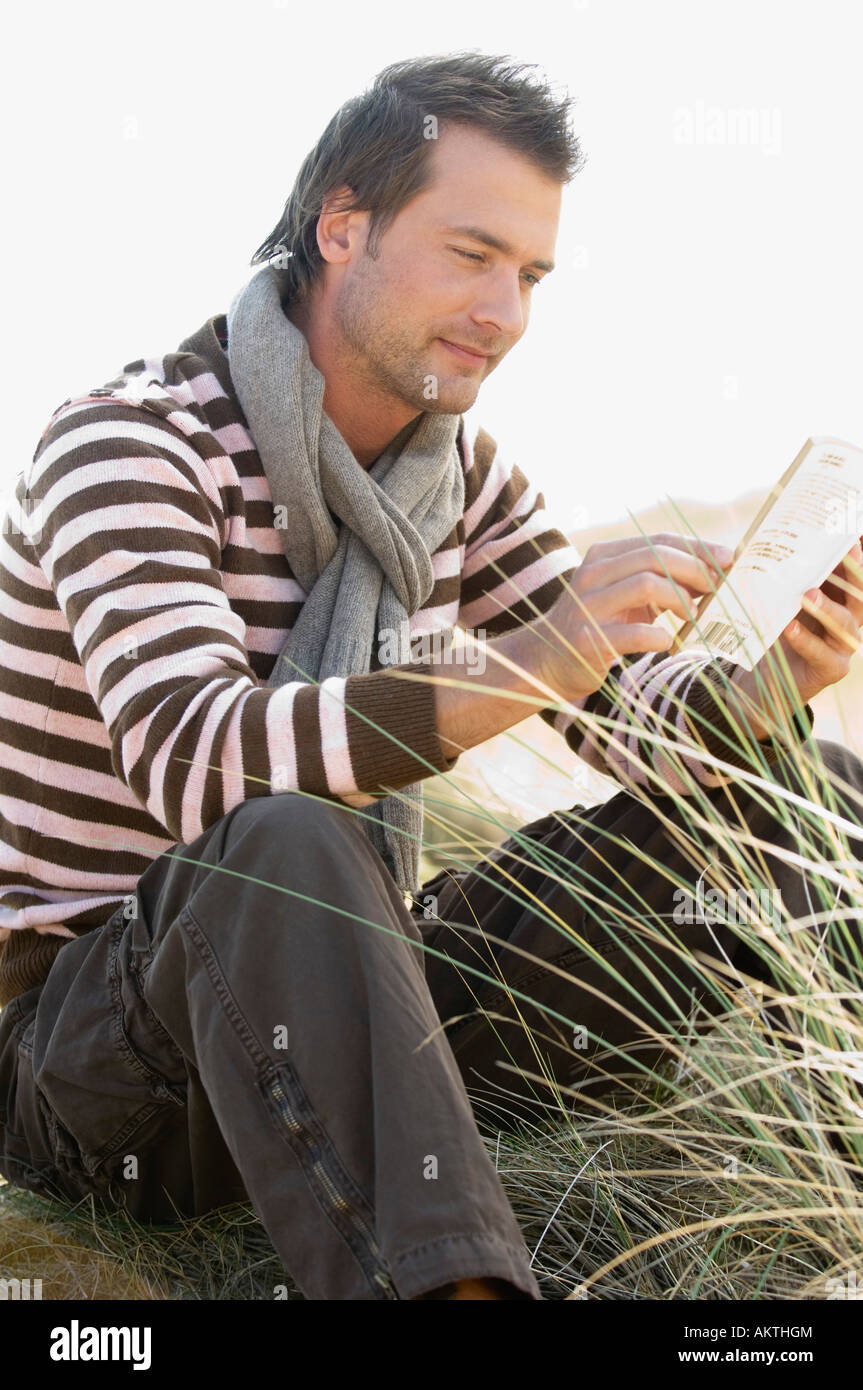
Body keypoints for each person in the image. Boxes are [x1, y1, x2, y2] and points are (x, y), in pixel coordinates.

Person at [1, 51, 861, 1303]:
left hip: (357, 997)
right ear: (340, 226)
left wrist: (767, 682)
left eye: (530, 275)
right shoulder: (130, 440)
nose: (504, 313)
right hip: (101, 1064)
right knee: (285, 838)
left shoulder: (461, 481)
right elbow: (201, 764)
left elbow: (629, 722)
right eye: (471, 255)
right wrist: (536, 657)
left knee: (799, 792)